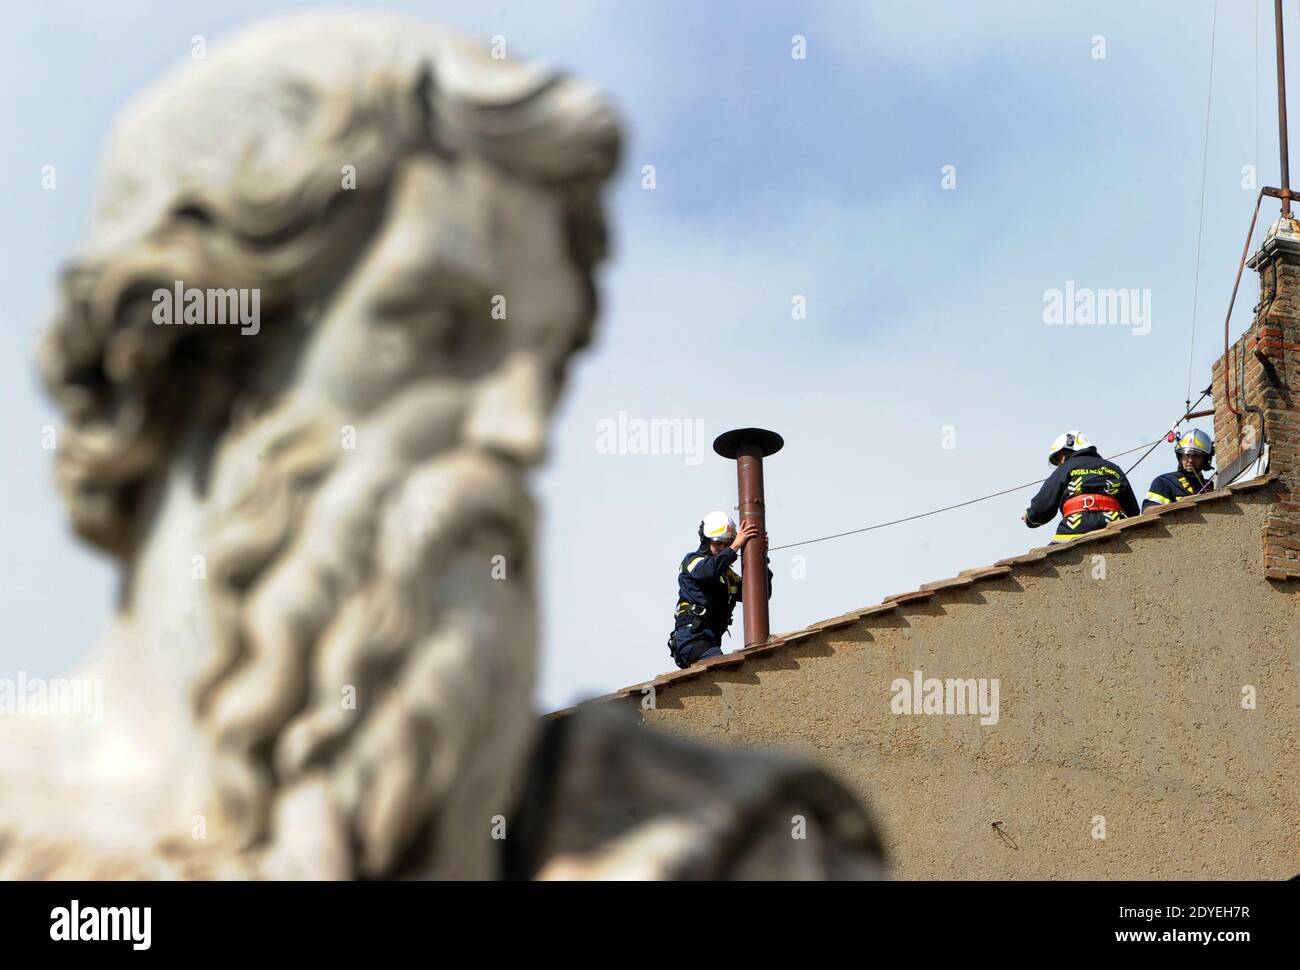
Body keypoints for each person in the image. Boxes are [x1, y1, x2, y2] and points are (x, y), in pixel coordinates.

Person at [668, 511, 772, 668]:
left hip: (710, 640)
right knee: (726, 670)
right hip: (692, 638)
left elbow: (759, 593)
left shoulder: (727, 578)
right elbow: (708, 572)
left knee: (729, 670)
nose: (723, 548)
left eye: (727, 544)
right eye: (718, 543)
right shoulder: (693, 561)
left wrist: (762, 558)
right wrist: (735, 546)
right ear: (706, 541)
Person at [1021, 431, 1140, 543]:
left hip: (1074, 528)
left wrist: (1030, 516)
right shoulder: (1114, 468)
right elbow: (1133, 511)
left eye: (1059, 457)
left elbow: (1043, 504)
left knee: (1050, 562)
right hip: (1114, 526)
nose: (1060, 463)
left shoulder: (1066, 468)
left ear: (1069, 449)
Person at [1142, 428, 1215, 511]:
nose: (1190, 460)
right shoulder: (1164, 482)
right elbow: (1149, 512)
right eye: (1186, 455)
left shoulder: (1210, 487)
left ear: (1205, 459)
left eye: (1196, 455)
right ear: (1180, 457)